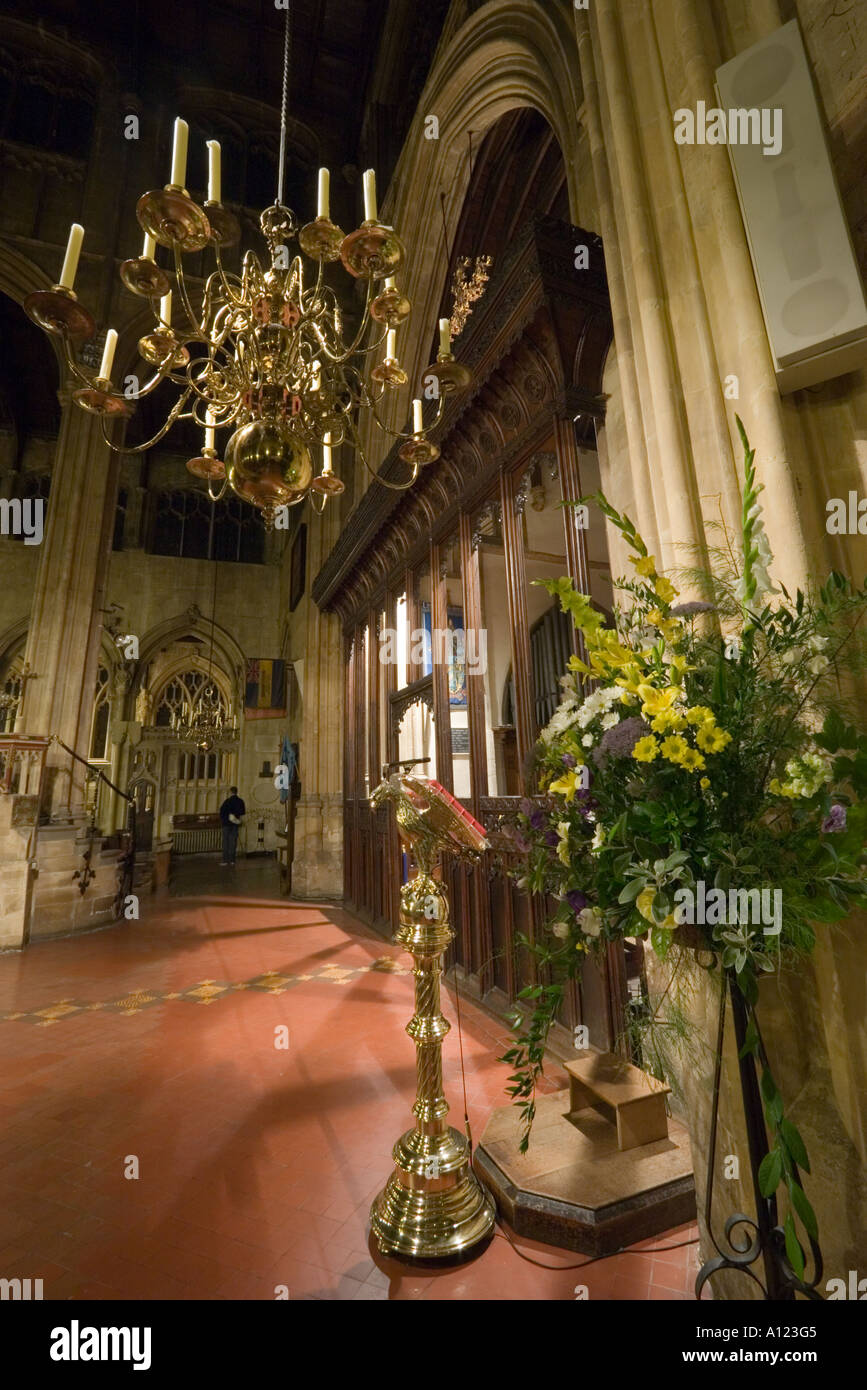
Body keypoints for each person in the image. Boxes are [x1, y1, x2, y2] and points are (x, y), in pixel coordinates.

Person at [219, 786, 246, 866]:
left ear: (230, 792)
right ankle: (232, 861)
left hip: (226, 824)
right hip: (235, 824)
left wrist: (226, 817)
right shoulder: (240, 801)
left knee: (226, 842)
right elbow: (242, 812)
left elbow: (222, 811)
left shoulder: (227, 801)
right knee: (233, 842)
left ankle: (225, 860)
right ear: (236, 792)